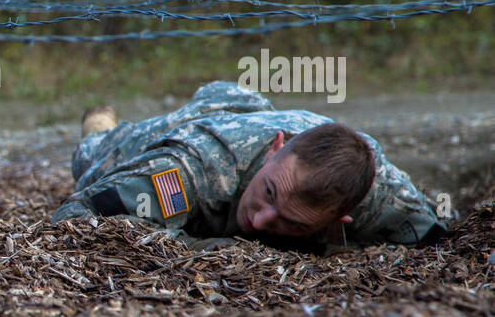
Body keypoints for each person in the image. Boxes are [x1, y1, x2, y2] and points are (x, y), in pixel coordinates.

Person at [51, 81, 450, 250]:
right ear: (277, 148)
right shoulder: (193, 171)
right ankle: (100, 122)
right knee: (93, 154)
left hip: (265, 118)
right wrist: (199, 246)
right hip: (203, 128)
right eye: (270, 193)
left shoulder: (379, 196)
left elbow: (442, 237)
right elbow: (74, 216)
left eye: (292, 222)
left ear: (342, 219)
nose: (260, 221)